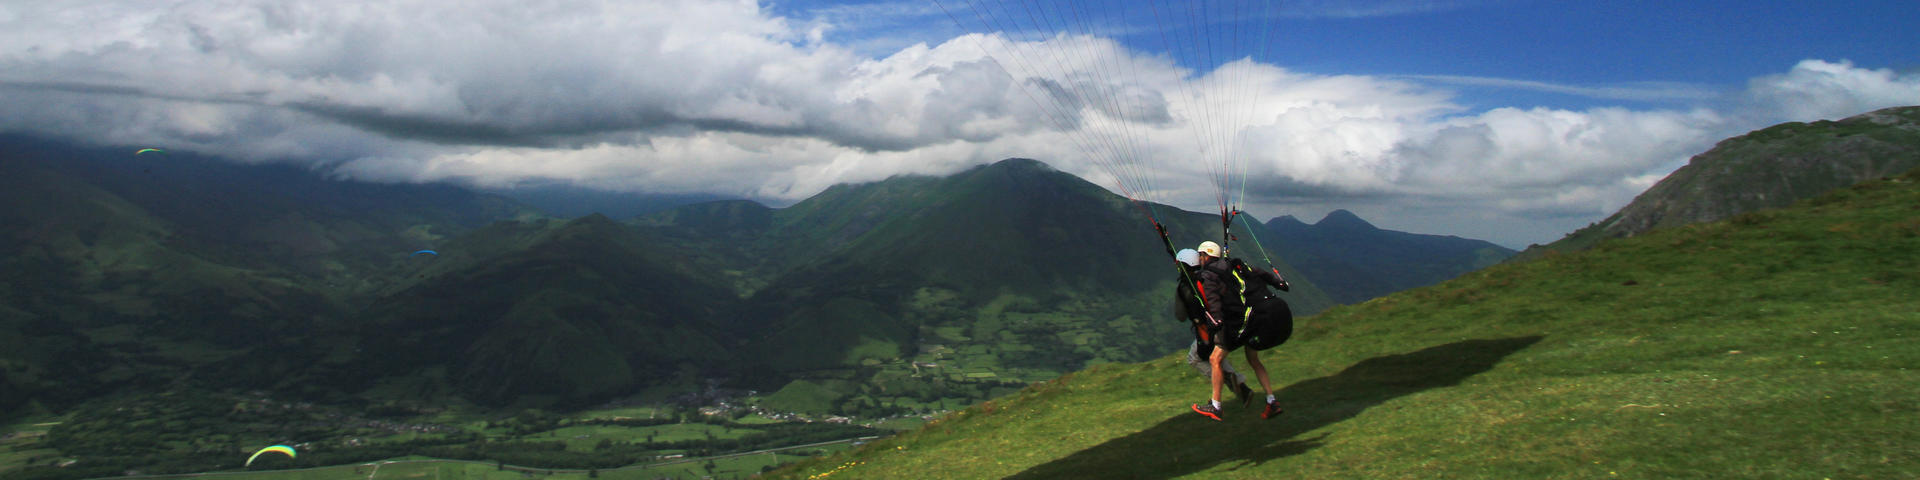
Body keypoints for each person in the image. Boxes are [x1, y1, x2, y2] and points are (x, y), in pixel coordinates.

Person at [1189, 241, 1289, 421]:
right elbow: (1260, 272)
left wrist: (1216, 321)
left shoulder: (1207, 275)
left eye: (1200, 255)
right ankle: (1272, 401)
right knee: (1253, 359)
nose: (1199, 259)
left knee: (1215, 359)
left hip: (1243, 320)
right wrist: (1279, 283)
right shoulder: (1235, 264)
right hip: (1259, 315)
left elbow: (1213, 299)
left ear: (1205, 256)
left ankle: (1216, 406)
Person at [1172, 248, 1253, 405]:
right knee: (1217, 357)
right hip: (1227, 323)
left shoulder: (1184, 287)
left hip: (1207, 331)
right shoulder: (1209, 277)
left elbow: (1180, 316)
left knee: (1194, 358)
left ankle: (1227, 380)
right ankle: (1242, 388)